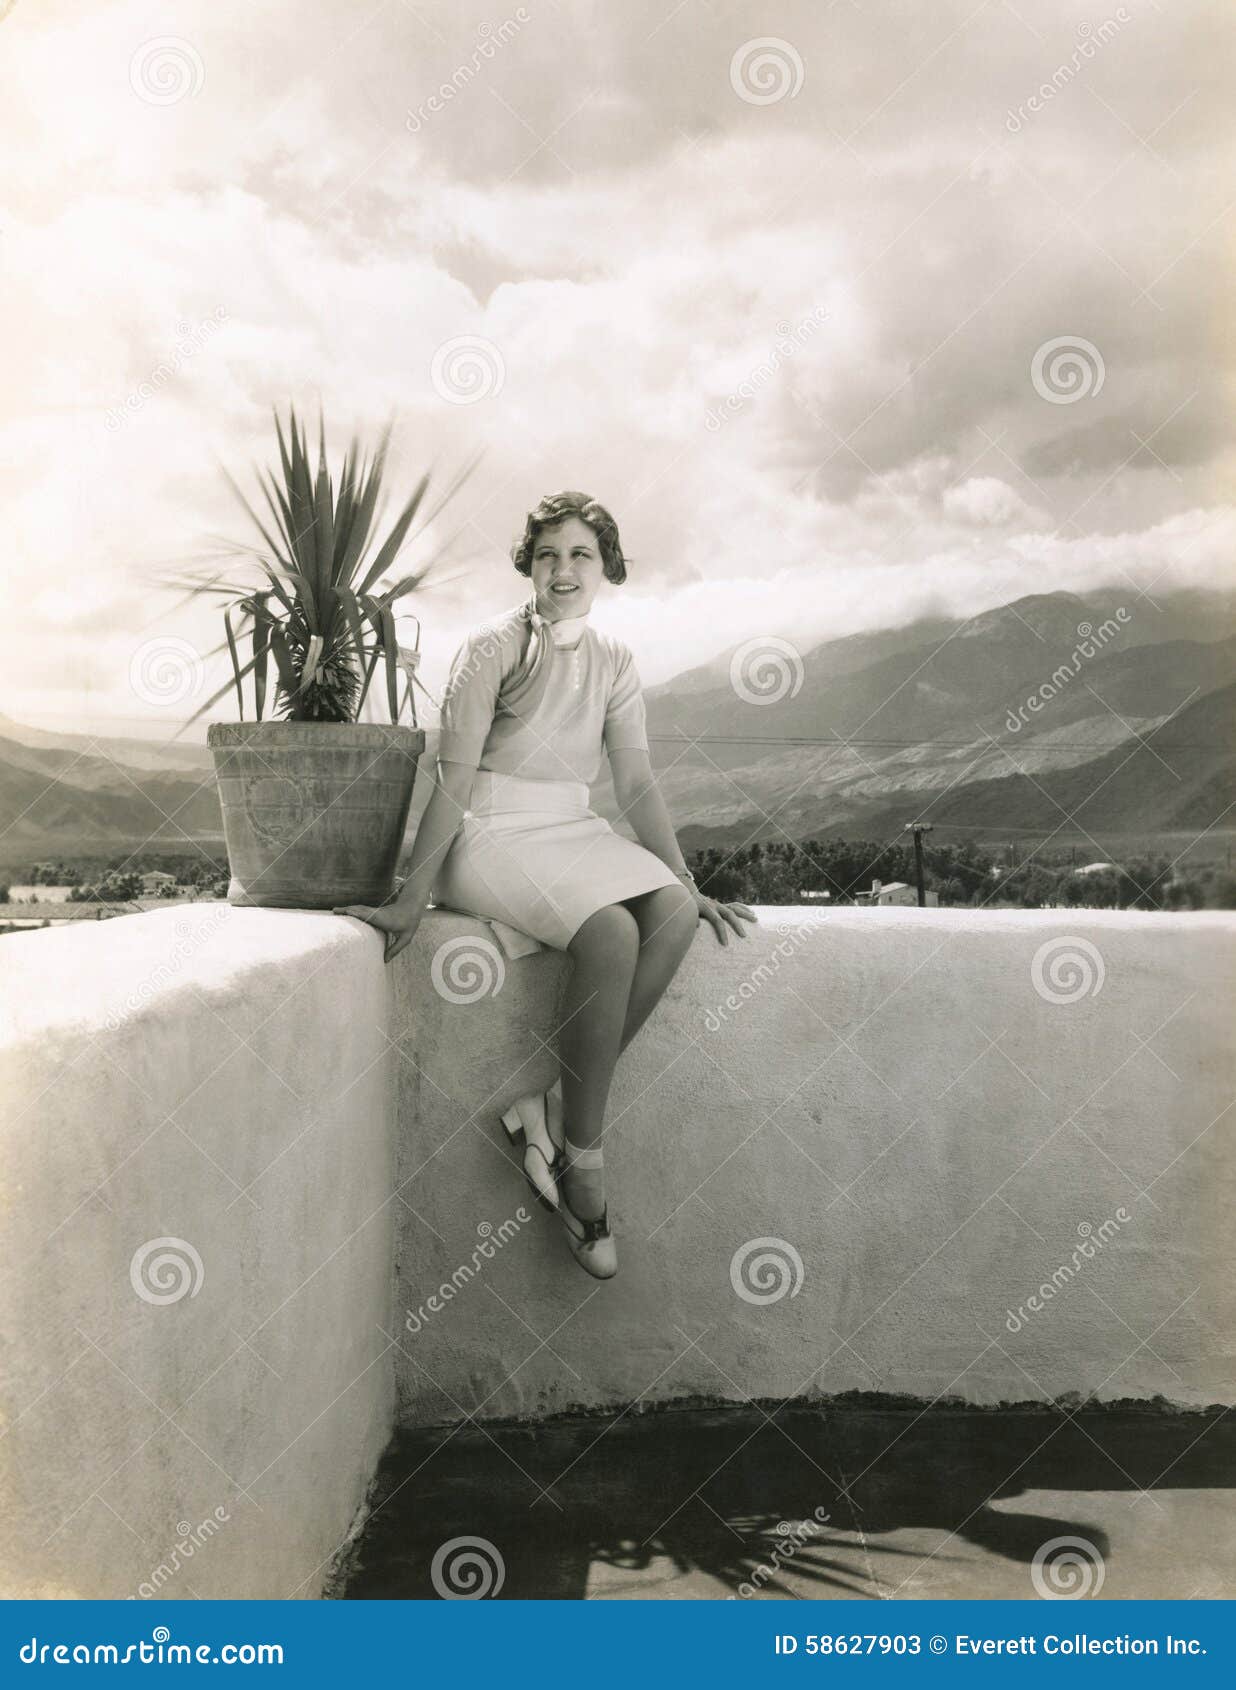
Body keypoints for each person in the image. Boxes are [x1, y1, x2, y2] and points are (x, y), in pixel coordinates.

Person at [334, 490, 757, 1279]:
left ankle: (551, 1110)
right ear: (528, 564)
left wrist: (685, 878)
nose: (564, 569)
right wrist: (412, 896)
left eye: (581, 555)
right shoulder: (492, 648)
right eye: (549, 554)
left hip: (570, 827)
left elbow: (635, 782)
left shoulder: (616, 661)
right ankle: (583, 1163)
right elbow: (453, 778)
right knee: (611, 930)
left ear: (607, 568)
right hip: (487, 832)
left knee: (671, 914)